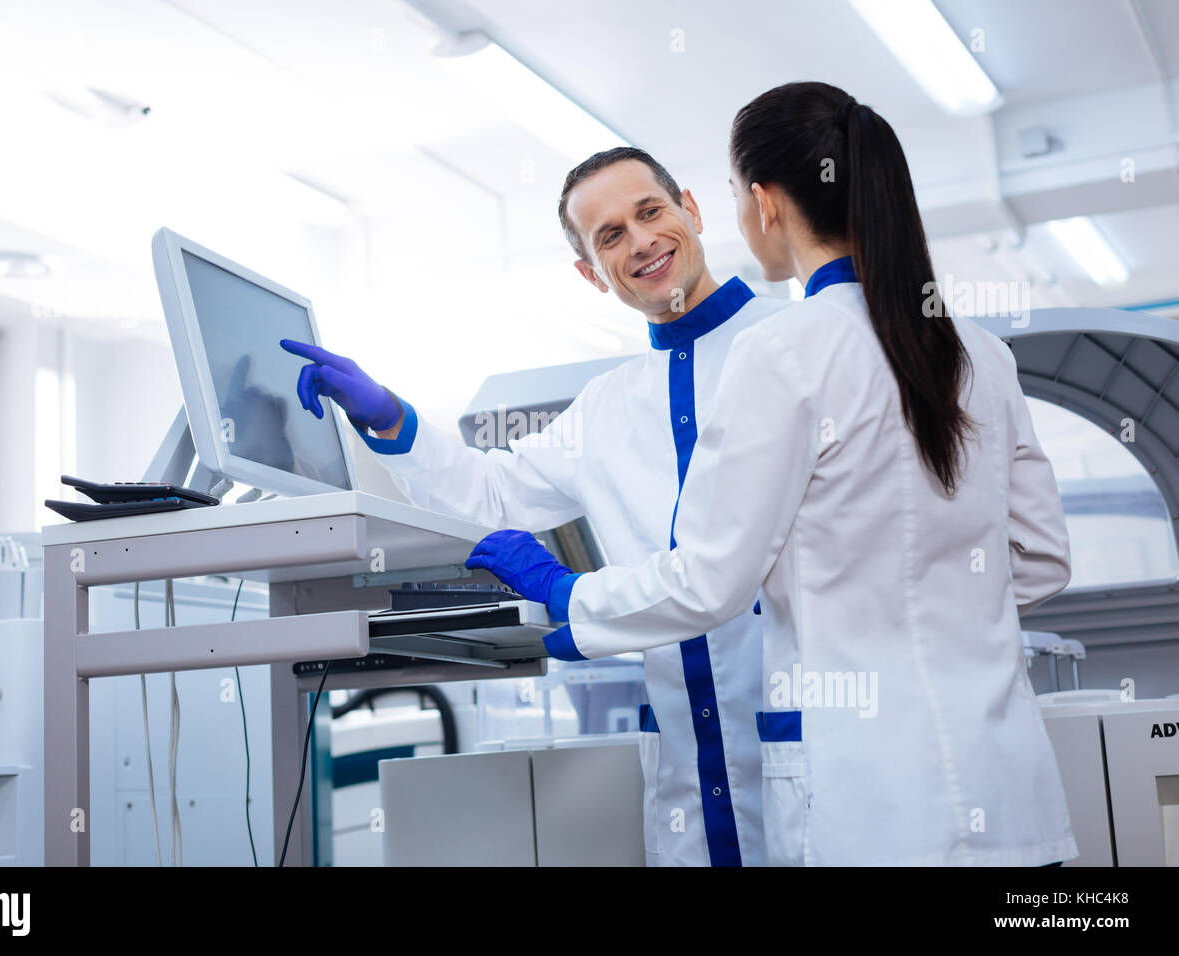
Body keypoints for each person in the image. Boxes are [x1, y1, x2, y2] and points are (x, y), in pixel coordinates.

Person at [466, 82, 1079, 866]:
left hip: (872, 812)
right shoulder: (980, 354)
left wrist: (565, 592)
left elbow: (711, 583)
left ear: (763, 203)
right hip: (1011, 797)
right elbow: (1042, 558)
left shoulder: (781, 352)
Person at [280, 147, 790, 867]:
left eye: (650, 212)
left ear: (691, 210)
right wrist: (391, 418)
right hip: (688, 777)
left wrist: (567, 594)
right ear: (591, 273)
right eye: (609, 235)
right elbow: (493, 493)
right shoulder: (607, 409)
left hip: (807, 758)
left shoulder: (794, 345)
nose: (640, 241)